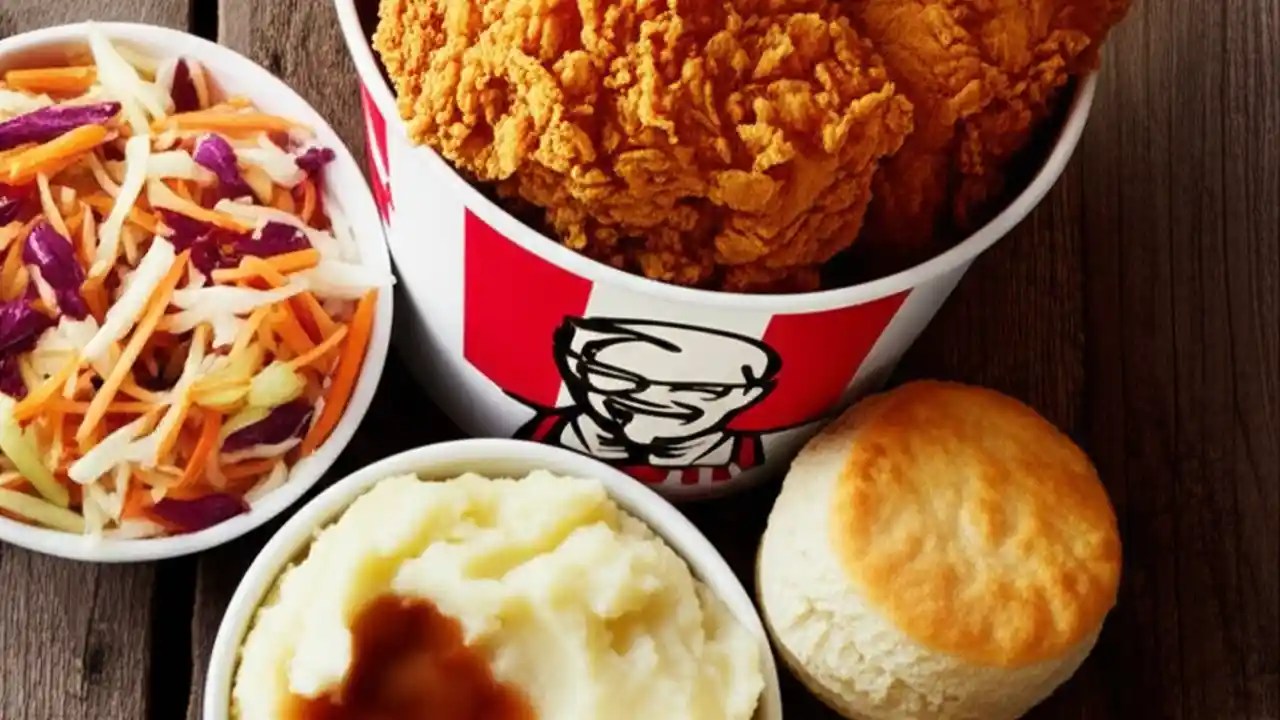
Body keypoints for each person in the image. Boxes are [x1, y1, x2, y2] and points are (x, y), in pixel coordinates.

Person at [518, 317, 782, 485]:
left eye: (697, 388)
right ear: (574, 368)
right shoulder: (550, 429)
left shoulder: (744, 454)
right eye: (616, 375)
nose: (654, 400)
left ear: (748, 395)